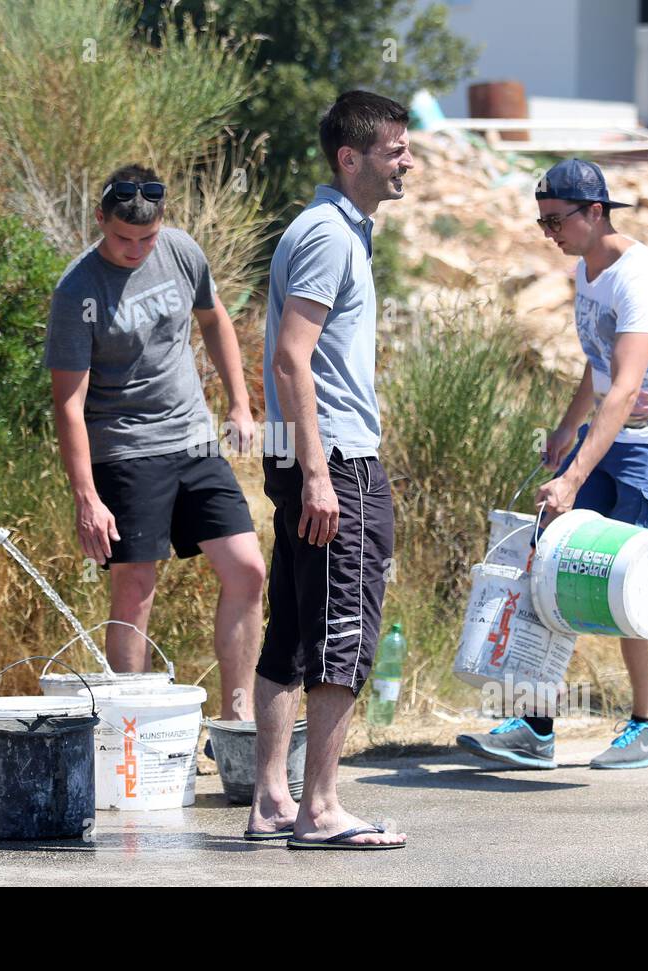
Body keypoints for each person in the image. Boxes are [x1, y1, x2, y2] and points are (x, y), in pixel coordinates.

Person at [457, 158, 648, 771]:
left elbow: (623, 389)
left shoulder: (641, 277)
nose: (550, 234)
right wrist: (568, 430)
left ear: (597, 212)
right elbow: (598, 365)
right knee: (550, 554)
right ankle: (535, 724)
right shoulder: (586, 271)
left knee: (633, 569)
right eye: (542, 223)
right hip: (613, 433)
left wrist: (572, 475)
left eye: (557, 221)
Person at [246, 91, 412, 850]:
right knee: (343, 630)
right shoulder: (326, 234)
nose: (406, 159)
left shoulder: (338, 230)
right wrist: (317, 472)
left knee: (294, 629)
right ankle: (319, 810)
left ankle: (273, 801)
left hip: (318, 454)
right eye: (394, 150)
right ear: (351, 158)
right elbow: (289, 358)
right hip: (335, 460)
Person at [45, 164, 264, 721]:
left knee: (248, 570)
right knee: (136, 586)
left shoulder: (182, 251)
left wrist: (239, 403)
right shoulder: (77, 290)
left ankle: (237, 721)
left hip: (192, 437)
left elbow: (214, 321)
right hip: (124, 445)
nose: (135, 249)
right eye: (123, 237)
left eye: (146, 238)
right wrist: (86, 496)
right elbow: (68, 402)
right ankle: (129, 735)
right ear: (100, 220)